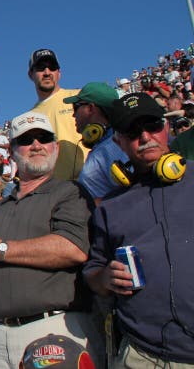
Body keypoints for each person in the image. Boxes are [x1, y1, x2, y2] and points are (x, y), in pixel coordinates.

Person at [0, 110, 101, 369]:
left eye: (43, 138)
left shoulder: (69, 192)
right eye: (26, 140)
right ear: (11, 152)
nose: (36, 145)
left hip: (53, 329)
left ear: (55, 147)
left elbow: (74, 248)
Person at [83, 92, 194, 366]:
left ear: (166, 127)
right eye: (132, 131)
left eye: (152, 126)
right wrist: (104, 278)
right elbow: (93, 272)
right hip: (142, 355)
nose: (145, 137)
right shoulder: (110, 205)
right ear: (119, 141)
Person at [63, 81, 130, 202]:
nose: (73, 115)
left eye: (75, 107)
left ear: (90, 108)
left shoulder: (114, 146)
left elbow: (132, 195)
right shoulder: (106, 144)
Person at [27, 48, 88, 179]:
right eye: (41, 67)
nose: (47, 72)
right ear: (30, 74)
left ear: (59, 73)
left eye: (52, 67)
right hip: (60, 192)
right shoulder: (29, 119)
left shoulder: (79, 96)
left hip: (95, 182)